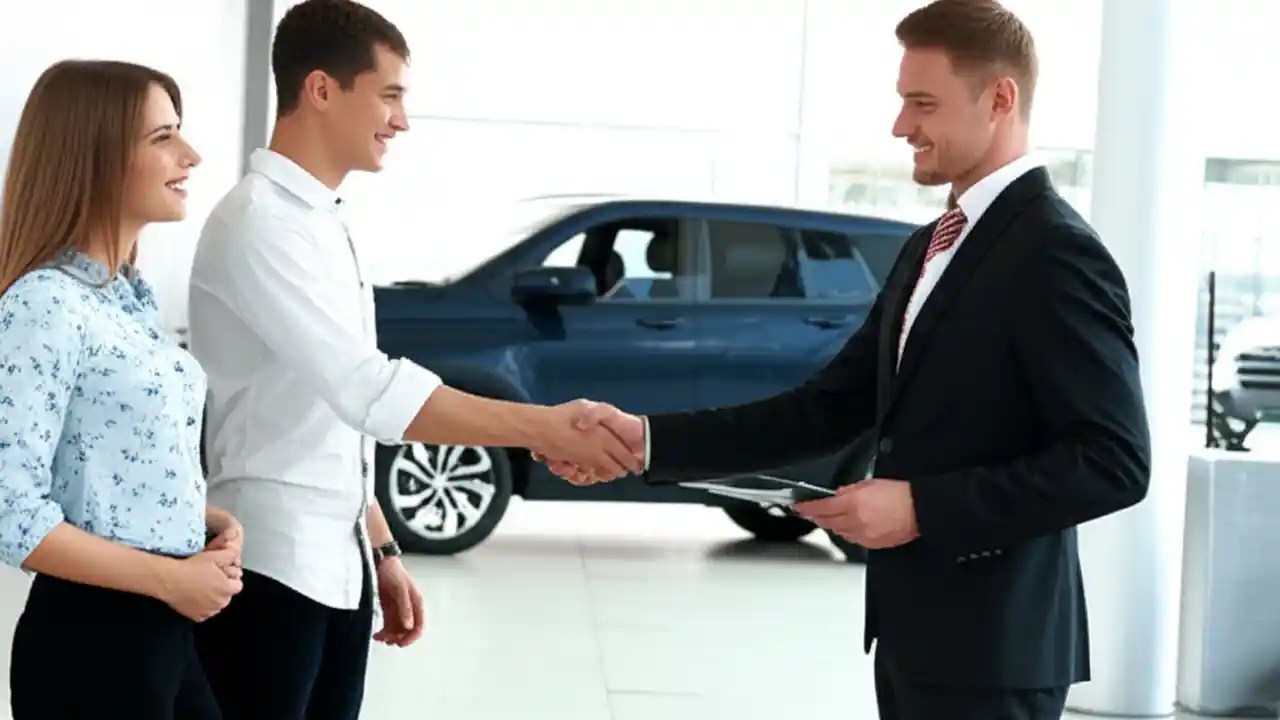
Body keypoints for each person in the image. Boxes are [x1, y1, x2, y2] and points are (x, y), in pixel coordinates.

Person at [541, 1, 1152, 718]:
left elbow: (1114, 461)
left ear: (1000, 99)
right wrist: (645, 439)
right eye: (902, 101)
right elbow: (825, 408)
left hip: (997, 647)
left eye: (923, 103)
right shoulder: (929, 247)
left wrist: (921, 508)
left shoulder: (1055, 252)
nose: (900, 126)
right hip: (916, 636)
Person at [186, 1, 640, 717]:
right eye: (389, 95)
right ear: (322, 89)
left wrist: (380, 550)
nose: (401, 120)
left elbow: (332, 419)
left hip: (336, 568)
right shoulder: (260, 223)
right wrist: (544, 426)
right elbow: (368, 391)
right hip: (272, 567)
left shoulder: (321, 219)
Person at [0, 60, 244, 720]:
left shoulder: (126, 302)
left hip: (161, 631)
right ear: (95, 156)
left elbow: (102, 475)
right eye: (163, 137)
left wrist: (200, 522)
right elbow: (9, 510)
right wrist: (172, 576)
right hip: (94, 643)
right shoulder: (43, 305)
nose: (190, 154)